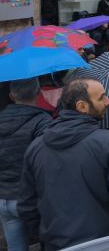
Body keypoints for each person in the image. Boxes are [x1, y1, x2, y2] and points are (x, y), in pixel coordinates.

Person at [19, 79, 109, 250]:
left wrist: (45, 235)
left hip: (56, 242)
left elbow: (27, 205)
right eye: (101, 97)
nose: (108, 101)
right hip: (105, 242)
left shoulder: (35, 147)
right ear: (82, 106)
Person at [0, 78, 52, 251]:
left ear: (11, 96)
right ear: (38, 92)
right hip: (33, 197)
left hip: (4, 197)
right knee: (49, 242)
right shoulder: (42, 121)